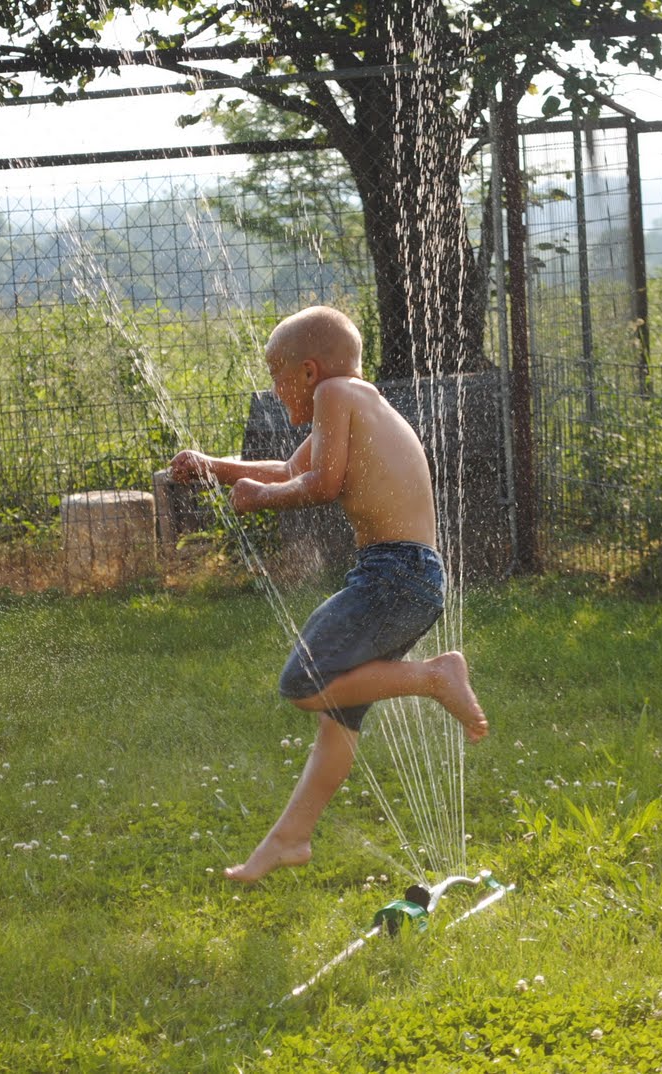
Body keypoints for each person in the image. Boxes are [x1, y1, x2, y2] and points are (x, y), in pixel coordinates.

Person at [169, 305, 488, 884]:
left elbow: (323, 484)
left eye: (275, 372)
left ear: (310, 372)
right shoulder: (356, 401)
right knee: (338, 713)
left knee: (302, 683)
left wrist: (261, 502)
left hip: (394, 575)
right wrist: (212, 466)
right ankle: (288, 840)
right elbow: (291, 467)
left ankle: (435, 676)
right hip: (407, 576)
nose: (272, 385)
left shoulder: (336, 395)